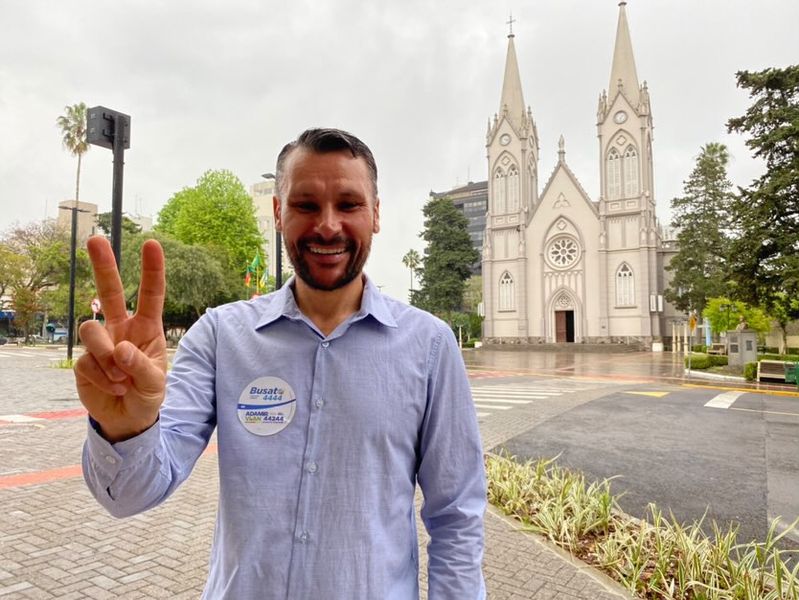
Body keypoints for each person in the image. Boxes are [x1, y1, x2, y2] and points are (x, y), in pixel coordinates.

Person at [75, 128, 486, 599]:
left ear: (376, 214)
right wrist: (125, 430)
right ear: (278, 213)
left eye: (349, 204)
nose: (327, 225)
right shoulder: (221, 336)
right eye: (306, 205)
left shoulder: (430, 347)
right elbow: (132, 493)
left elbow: (456, 515)